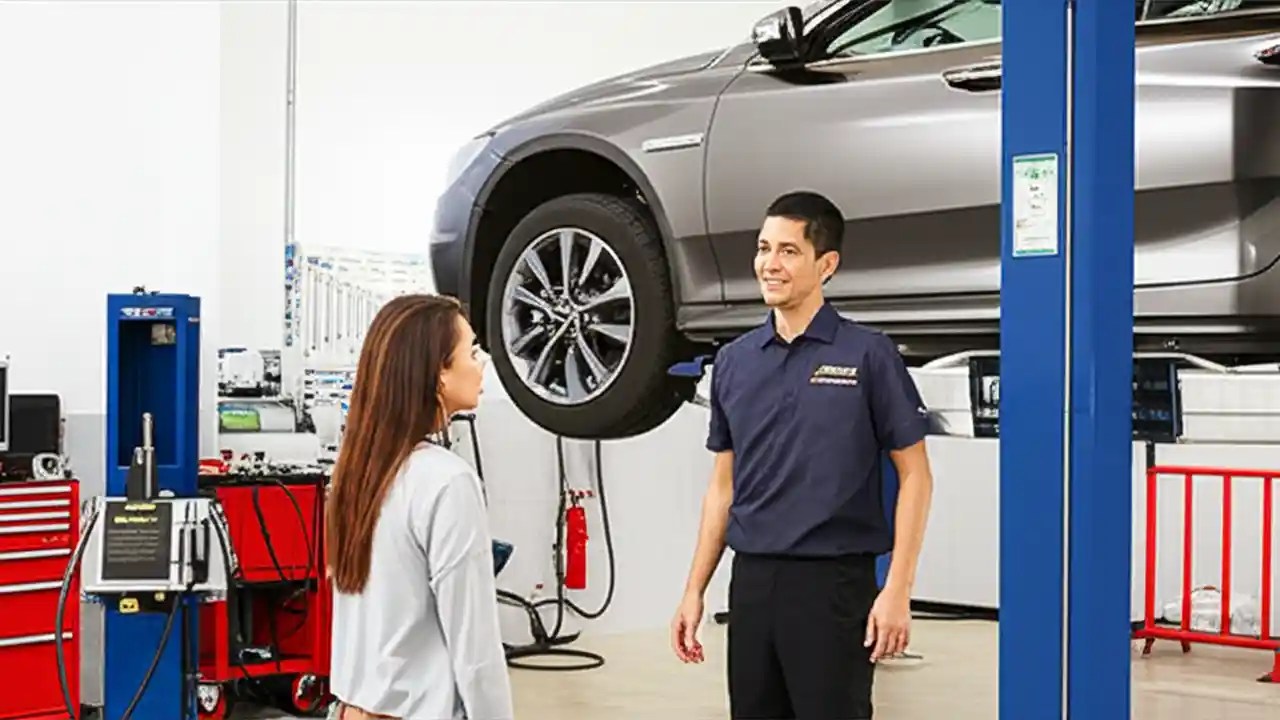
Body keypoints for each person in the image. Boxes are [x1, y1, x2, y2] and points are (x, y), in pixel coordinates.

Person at [670, 191, 935, 719]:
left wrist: (897, 589)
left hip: (834, 588)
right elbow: (723, 486)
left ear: (826, 263)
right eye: (764, 248)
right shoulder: (734, 362)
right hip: (752, 583)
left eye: (789, 251)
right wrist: (694, 589)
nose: (770, 264)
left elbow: (917, 478)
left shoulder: (868, 354)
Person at [325, 294, 514, 720]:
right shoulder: (448, 481)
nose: (480, 364)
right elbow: (475, 645)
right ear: (438, 375)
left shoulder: (355, 473)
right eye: (471, 352)